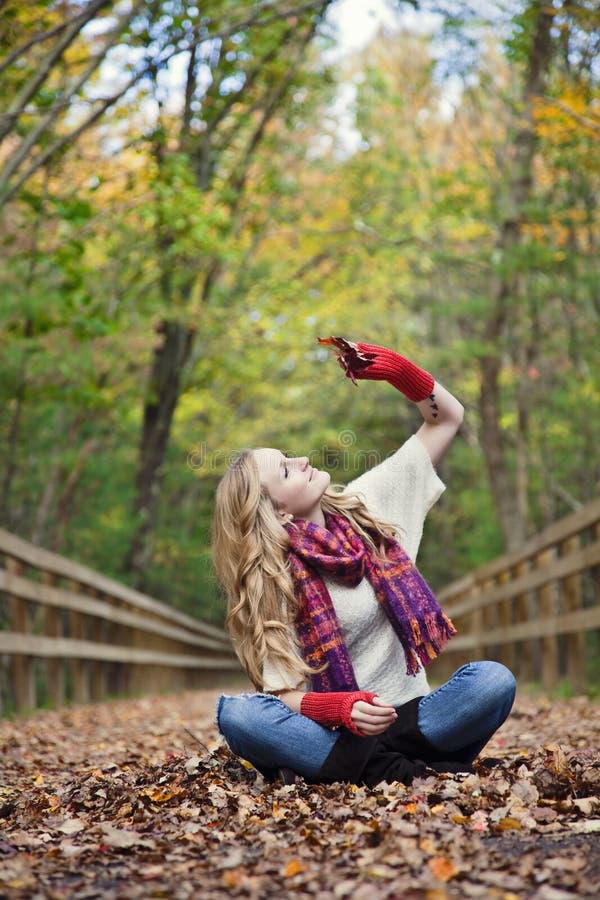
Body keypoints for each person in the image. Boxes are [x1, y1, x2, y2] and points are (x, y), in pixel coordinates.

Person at [212, 338, 516, 787]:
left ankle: (373, 770)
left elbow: (447, 418)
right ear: (275, 511)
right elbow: (281, 693)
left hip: (412, 716)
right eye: (285, 470)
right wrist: (337, 708)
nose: (301, 460)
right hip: (336, 732)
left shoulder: (370, 507)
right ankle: (405, 770)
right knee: (237, 715)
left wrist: (396, 371)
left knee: (493, 681)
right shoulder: (272, 577)